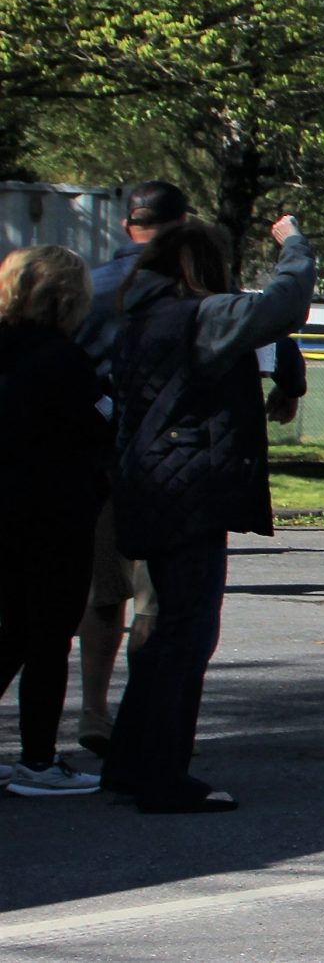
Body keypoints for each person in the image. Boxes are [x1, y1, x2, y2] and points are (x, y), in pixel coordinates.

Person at [104, 214, 315, 811]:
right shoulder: (204, 316)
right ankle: (163, 774)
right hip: (190, 489)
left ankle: (129, 761)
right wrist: (293, 244)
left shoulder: (141, 318)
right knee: (188, 633)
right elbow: (284, 305)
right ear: (208, 266)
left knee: (165, 628)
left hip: (147, 482)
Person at [73, 182, 191, 759]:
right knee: (155, 599)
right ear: (183, 226)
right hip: (164, 466)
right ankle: (140, 716)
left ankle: (94, 710)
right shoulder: (185, 294)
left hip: (96, 464)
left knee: (103, 595)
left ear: (127, 226)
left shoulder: (88, 289)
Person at [1, 245, 113, 796]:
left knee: (9, 632)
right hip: (51, 516)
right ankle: (39, 761)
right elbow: (100, 423)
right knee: (48, 637)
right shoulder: (62, 359)